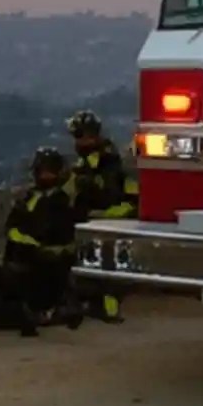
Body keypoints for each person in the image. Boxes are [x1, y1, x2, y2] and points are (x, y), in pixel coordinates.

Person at [64, 109, 137, 323]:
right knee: (94, 261)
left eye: (79, 136)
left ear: (90, 135)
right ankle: (94, 303)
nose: (76, 142)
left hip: (109, 216)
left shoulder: (103, 159)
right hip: (103, 215)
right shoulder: (93, 158)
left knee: (107, 264)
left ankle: (108, 306)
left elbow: (107, 192)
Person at [4, 146, 84, 337]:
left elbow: (73, 229)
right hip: (32, 254)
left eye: (50, 171)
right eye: (43, 171)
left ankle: (61, 304)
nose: (46, 176)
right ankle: (30, 310)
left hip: (60, 256)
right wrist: (29, 243)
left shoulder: (66, 199)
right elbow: (12, 227)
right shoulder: (29, 197)